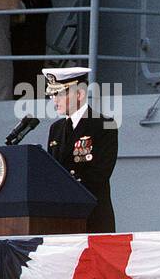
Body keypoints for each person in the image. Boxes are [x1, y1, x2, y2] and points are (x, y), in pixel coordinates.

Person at [44, 66, 118, 232]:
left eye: (60, 94)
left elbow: (101, 172)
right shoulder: (56, 129)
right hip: (61, 217)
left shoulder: (104, 125)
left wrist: (67, 184)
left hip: (92, 217)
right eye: (53, 94)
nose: (55, 100)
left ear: (80, 94)